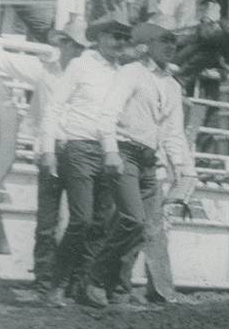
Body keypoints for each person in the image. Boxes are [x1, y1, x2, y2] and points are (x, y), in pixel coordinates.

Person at [84, 23, 198, 307]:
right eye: (164, 40)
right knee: (133, 220)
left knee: (146, 227)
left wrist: (182, 168)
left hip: (150, 160)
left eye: (173, 42)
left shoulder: (172, 85)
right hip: (125, 153)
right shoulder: (131, 73)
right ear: (146, 45)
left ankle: (112, 287)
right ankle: (95, 278)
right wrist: (110, 150)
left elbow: (172, 132)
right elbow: (108, 113)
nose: (171, 46)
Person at [0, 17, 90, 292]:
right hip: (50, 152)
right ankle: (45, 281)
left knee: (80, 220)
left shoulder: (88, 75)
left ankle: (68, 279)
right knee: (47, 222)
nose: (77, 50)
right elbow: (2, 60)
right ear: (62, 43)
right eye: (73, 44)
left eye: (81, 46)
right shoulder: (44, 71)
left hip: (81, 152)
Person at [43, 18, 131, 305]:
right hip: (79, 146)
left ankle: (82, 285)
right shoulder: (81, 65)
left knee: (100, 223)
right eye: (115, 36)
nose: (120, 42)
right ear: (100, 37)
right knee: (81, 219)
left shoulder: (123, 74)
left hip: (108, 151)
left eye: (124, 38)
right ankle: (57, 284)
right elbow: (56, 105)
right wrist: (47, 148)